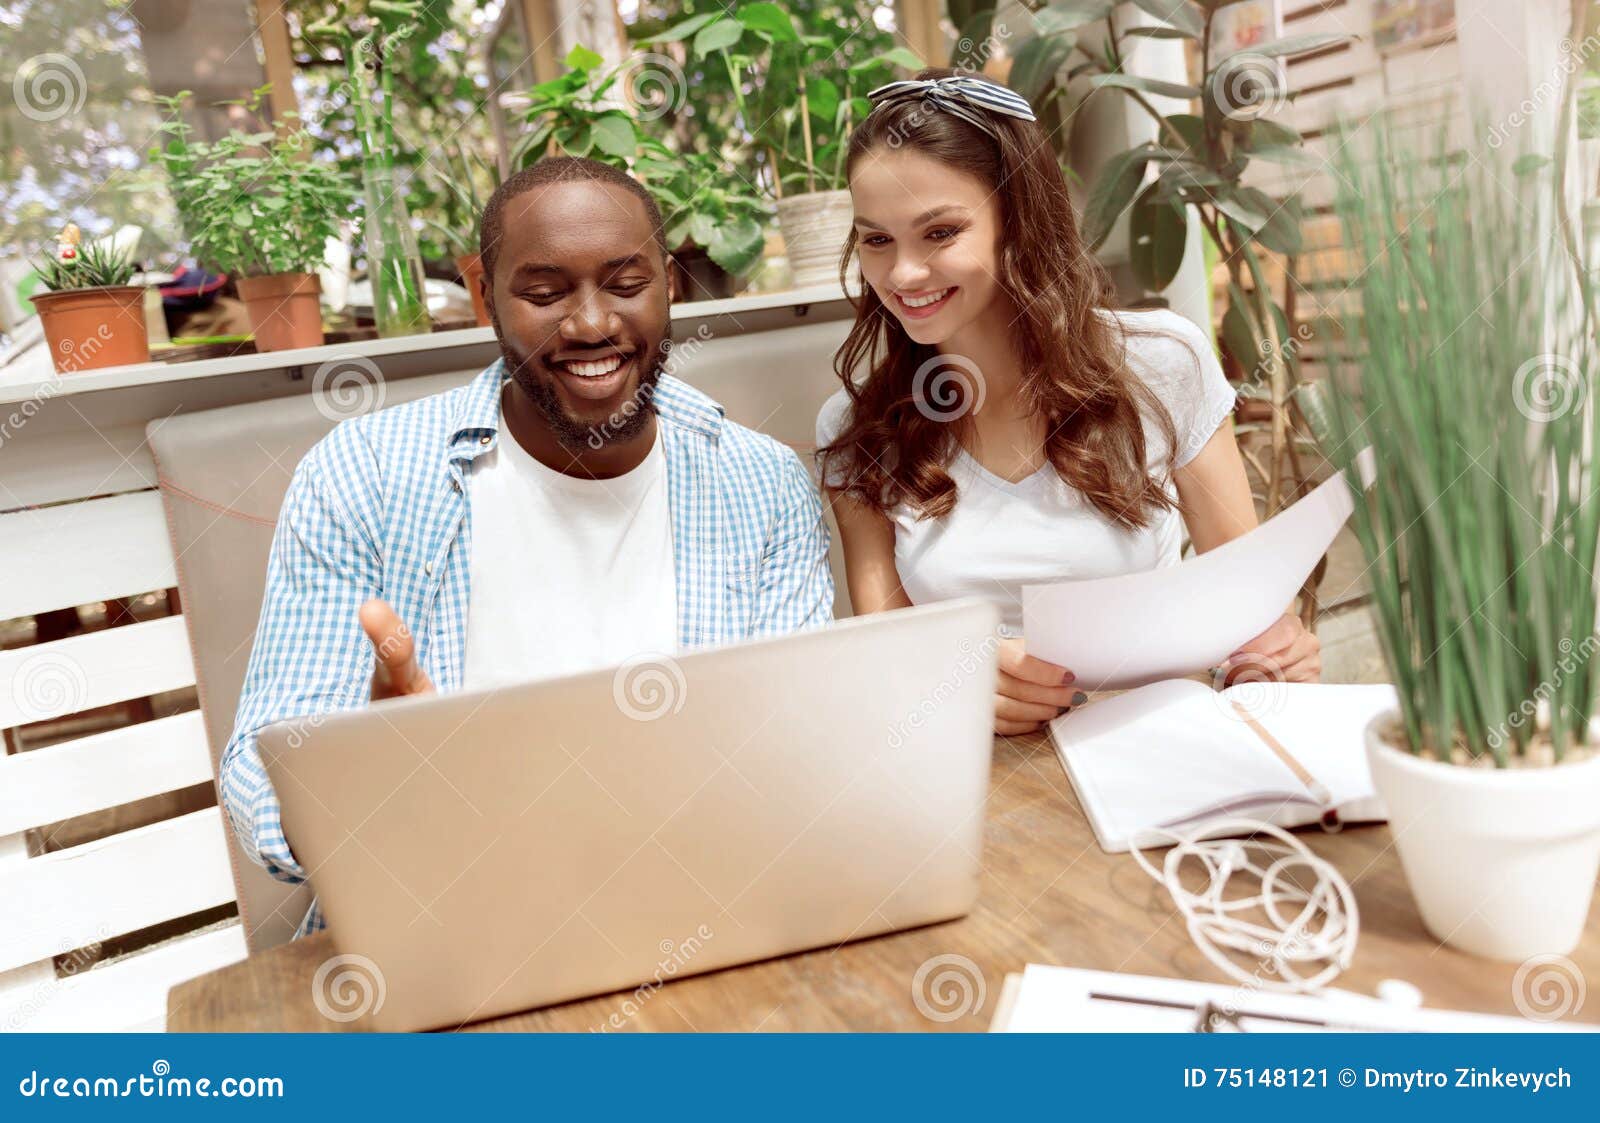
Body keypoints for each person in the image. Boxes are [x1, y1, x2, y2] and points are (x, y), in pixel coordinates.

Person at [223, 156, 834, 936]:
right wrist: (364, 781)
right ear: (486, 298)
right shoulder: (364, 474)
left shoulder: (761, 482)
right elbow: (260, 772)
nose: (591, 324)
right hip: (441, 927)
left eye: (626, 283)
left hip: (693, 917)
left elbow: (794, 750)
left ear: (670, 285)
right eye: (545, 294)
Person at [816, 69, 1319, 737]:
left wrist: (1265, 658)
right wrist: (957, 679)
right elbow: (890, 650)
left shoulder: (1163, 364)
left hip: (1159, 742)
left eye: (939, 233)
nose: (903, 273)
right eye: (877, 239)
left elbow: (1244, 604)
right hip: (981, 765)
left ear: (1017, 222)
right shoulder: (859, 428)